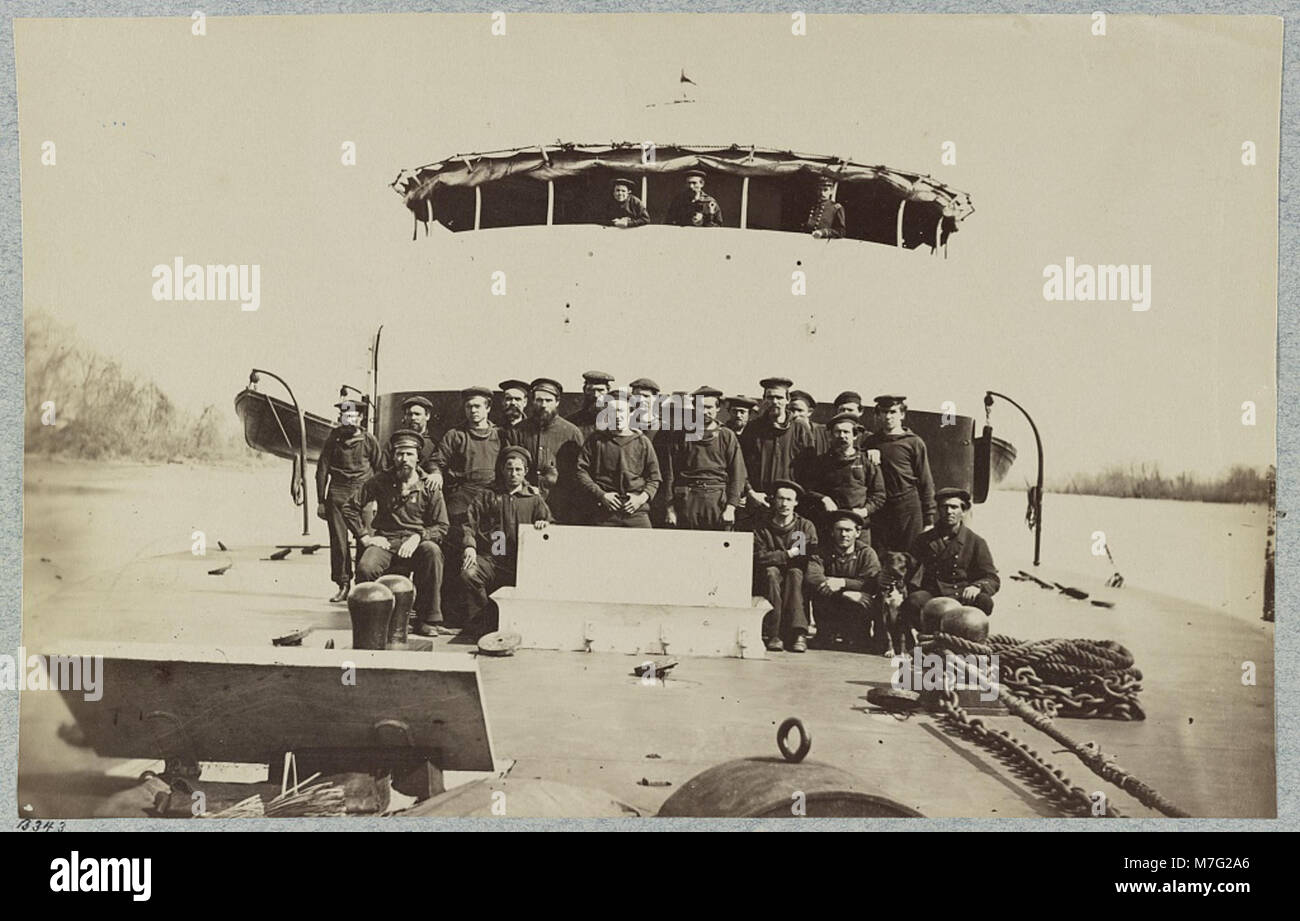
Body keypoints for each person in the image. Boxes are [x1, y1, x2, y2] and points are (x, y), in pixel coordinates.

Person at [357, 429, 451, 637]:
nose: (404, 459)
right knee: (366, 568)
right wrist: (366, 537)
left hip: (416, 541)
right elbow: (350, 507)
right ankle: (372, 619)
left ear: (418, 457)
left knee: (432, 552)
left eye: (409, 454)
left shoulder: (429, 486)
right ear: (393, 456)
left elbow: (442, 525)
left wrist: (419, 537)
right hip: (387, 540)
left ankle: (427, 620)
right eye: (400, 454)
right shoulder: (380, 481)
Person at [459, 445, 552, 639]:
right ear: (502, 469)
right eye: (509, 469)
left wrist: (544, 524)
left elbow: (549, 524)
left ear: (525, 471)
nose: (513, 474)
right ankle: (482, 625)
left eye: (518, 469)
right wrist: (469, 546)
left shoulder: (533, 499)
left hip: (521, 563)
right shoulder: (488, 495)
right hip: (492, 559)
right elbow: (469, 523)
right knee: (470, 574)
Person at [901, 487, 1000, 630]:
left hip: (962, 594)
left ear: (963, 511)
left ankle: (971, 636)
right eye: (944, 507)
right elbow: (908, 564)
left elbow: (991, 577)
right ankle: (928, 636)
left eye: (954, 507)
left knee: (984, 602)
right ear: (939, 510)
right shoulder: (924, 539)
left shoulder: (975, 541)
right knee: (914, 601)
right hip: (933, 594)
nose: (949, 511)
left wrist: (977, 587)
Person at [315, 398, 382, 602]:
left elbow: (380, 471)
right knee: (339, 543)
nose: (349, 420)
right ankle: (343, 584)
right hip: (338, 494)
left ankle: (363, 585)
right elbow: (322, 470)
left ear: (360, 418)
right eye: (346, 416)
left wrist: (379, 501)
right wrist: (321, 501)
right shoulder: (333, 439)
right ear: (340, 418)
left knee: (366, 539)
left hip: (364, 495)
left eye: (353, 416)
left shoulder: (369, 440)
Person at [662, 386, 747, 530]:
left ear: (717, 408)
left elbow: (738, 474)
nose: (705, 412)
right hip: (687, 500)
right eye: (701, 407)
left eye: (709, 407)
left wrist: (731, 507)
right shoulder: (680, 436)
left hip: (718, 501)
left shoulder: (726, 436)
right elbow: (669, 474)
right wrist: (670, 509)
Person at [738, 376, 817, 529]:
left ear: (787, 400)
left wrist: (796, 498)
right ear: (763, 400)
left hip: (789, 506)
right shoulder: (753, 428)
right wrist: (750, 492)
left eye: (779, 397)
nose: (774, 402)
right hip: (759, 502)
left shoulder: (800, 429)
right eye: (770, 397)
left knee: (793, 541)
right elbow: (741, 465)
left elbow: (810, 469)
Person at [576, 390, 662, 527]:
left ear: (630, 413)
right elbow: (581, 471)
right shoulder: (596, 441)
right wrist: (601, 495)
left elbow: (654, 477)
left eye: (621, 411)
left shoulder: (642, 442)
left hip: (636, 512)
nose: (617, 416)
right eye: (612, 412)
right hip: (604, 512)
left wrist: (641, 499)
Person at [752, 480, 819, 653]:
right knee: (771, 573)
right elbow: (759, 556)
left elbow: (802, 556)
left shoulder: (803, 526)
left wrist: (776, 557)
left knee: (794, 573)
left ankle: (798, 633)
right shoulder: (762, 527)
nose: (784, 504)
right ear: (773, 500)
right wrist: (787, 554)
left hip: (795, 572)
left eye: (789, 499)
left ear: (796, 502)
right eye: (780, 499)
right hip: (768, 573)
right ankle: (774, 634)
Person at [507, 377, 585, 524]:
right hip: (525, 501)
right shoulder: (518, 431)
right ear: (532, 401)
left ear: (557, 402)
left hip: (560, 504)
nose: (543, 405)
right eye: (539, 400)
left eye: (548, 401)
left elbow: (579, 472)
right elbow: (508, 464)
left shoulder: (571, 433)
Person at [863, 395, 936, 553]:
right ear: (878, 415)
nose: (888, 416)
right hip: (881, 509)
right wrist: (868, 453)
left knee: (911, 555)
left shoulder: (914, 442)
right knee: (881, 554)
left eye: (893, 412)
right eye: (884, 412)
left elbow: (925, 481)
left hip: (908, 507)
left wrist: (929, 519)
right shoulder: (871, 442)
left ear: (902, 414)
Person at [802, 412, 886, 545]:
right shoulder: (821, 462)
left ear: (855, 435)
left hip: (859, 525)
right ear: (830, 436)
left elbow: (879, 495)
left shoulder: (866, 462)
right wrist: (824, 499)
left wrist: (865, 511)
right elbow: (808, 489)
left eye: (846, 432)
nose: (842, 436)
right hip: (831, 525)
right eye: (838, 432)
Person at [806, 510, 882, 649]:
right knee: (820, 592)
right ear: (832, 532)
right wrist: (838, 589)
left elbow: (871, 582)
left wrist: (842, 583)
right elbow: (813, 575)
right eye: (839, 530)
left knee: (861, 599)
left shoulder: (867, 553)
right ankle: (826, 635)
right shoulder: (821, 551)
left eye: (848, 530)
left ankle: (857, 636)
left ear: (857, 533)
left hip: (855, 603)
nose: (843, 534)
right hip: (830, 601)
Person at [436, 386, 506, 524]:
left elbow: (513, 461)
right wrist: (435, 473)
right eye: (469, 407)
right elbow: (437, 460)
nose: (473, 410)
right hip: (463, 493)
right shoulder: (455, 435)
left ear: (488, 408)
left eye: (477, 406)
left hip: (492, 492)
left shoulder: (500, 434)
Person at [383, 395, 440, 475]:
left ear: (427, 416)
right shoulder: (394, 442)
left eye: (417, 414)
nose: (413, 418)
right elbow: (384, 469)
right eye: (409, 414)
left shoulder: (433, 445)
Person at [568, 370, 616, 438]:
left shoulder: (617, 421)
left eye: (600, 390)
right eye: (590, 390)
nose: (595, 395)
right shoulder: (572, 422)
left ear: (608, 392)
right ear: (584, 390)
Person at [789, 389, 828, 456]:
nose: (795, 414)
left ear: (809, 412)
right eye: (791, 410)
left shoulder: (823, 432)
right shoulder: (784, 433)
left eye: (800, 410)